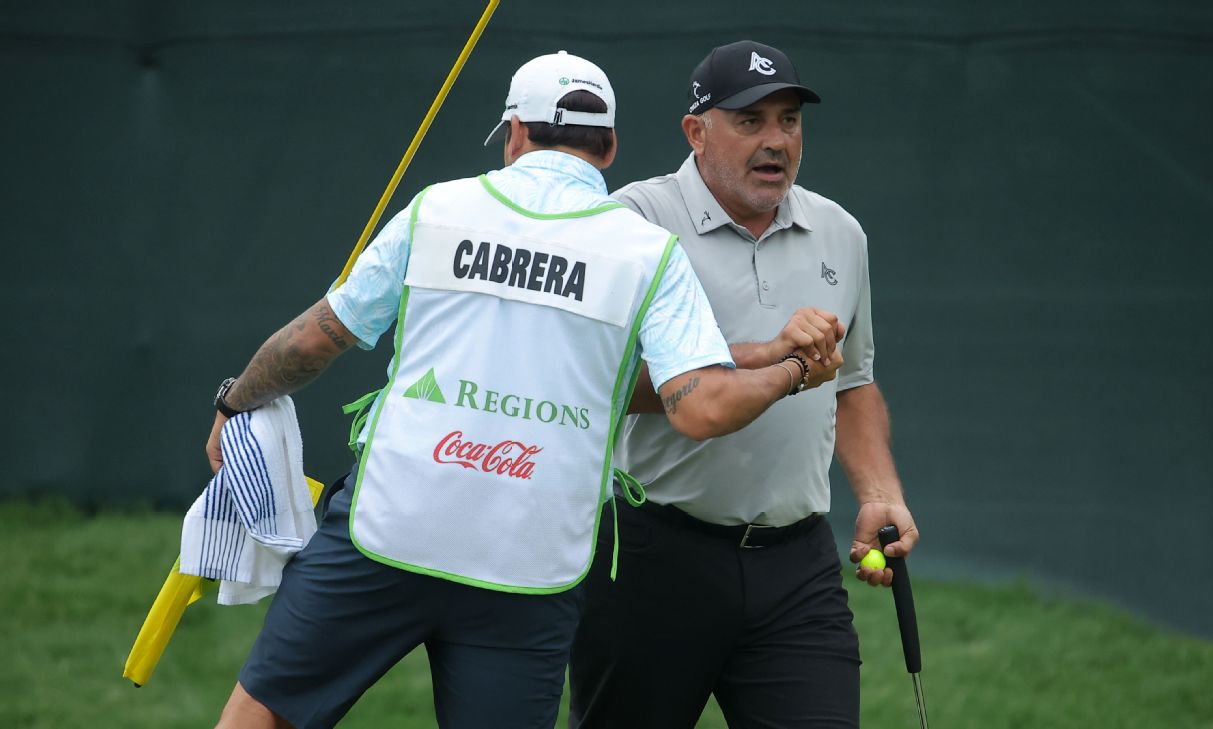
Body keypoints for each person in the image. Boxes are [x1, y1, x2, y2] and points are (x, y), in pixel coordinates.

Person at [201, 50, 842, 729]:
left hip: (387, 531)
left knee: (260, 717)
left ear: (515, 132)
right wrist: (794, 369)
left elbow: (310, 342)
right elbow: (703, 404)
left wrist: (234, 401)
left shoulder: (437, 209)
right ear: (610, 147)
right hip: (530, 565)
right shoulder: (645, 250)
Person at [569, 40, 920, 729]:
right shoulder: (635, 222)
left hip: (797, 567)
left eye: (788, 120)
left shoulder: (840, 233)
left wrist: (880, 494)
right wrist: (775, 362)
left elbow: (852, 383)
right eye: (750, 121)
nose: (776, 141)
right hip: (652, 556)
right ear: (696, 132)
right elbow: (603, 377)